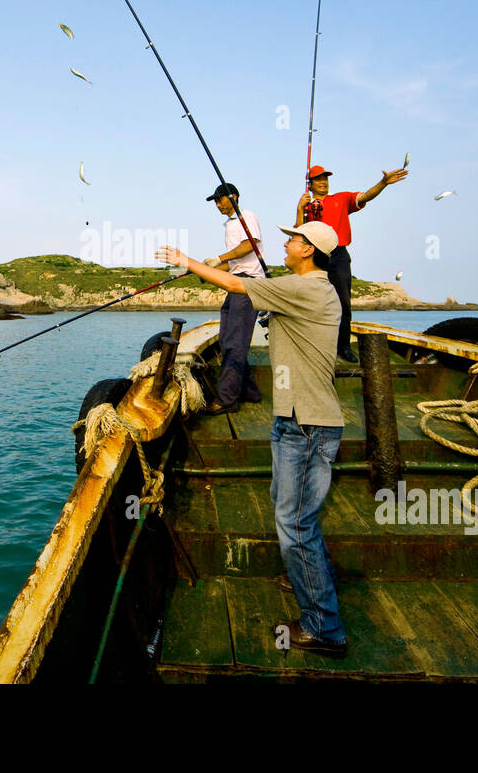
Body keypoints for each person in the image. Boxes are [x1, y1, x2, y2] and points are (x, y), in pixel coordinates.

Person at [157, 220, 348, 659]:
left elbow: (234, 283)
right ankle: (307, 579)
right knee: (297, 519)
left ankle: (325, 629)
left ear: (310, 251)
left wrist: (187, 262)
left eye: (294, 240)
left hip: (306, 424)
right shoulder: (308, 289)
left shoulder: (307, 289)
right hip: (303, 420)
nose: (285, 243)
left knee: (295, 525)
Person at [296, 163, 408, 363]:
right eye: (318, 179)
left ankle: (343, 346)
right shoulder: (307, 206)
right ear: (310, 184)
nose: (323, 182)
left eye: (325, 178)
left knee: (343, 302)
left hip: (338, 255)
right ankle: (315, 344)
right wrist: (300, 208)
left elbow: (365, 196)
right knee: (314, 302)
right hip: (315, 255)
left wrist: (383, 183)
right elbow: (299, 233)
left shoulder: (341, 198)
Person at [201, 183, 264, 415]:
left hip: (248, 285)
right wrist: (208, 270)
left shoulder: (246, 216)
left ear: (234, 197)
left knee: (234, 342)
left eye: (220, 200)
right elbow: (234, 263)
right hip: (236, 284)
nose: (218, 205)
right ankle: (249, 390)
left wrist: (218, 258)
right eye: (215, 202)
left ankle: (227, 399)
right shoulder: (229, 224)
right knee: (227, 338)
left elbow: (250, 245)